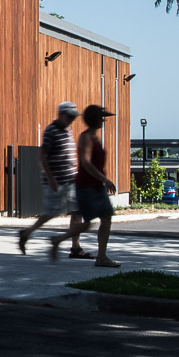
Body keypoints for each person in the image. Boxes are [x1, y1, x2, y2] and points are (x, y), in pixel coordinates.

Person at [18, 101, 84, 258]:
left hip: (71, 179)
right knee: (51, 213)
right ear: (61, 115)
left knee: (77, 212)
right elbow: (42, 156)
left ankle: (75, 248)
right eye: (69, 116)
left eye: (73, 117)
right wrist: (50, 178)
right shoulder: (51, 131)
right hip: (57, 181)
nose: (71, 120)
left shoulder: (67, 131)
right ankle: (26, 233)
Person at [70, 104, 120, 267]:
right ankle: (58, 240)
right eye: (101, 117)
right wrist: (104, 179)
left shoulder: (95, 137)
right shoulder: (86, 137)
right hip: (87, 185)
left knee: (106, 217)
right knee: (88, 222)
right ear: (94, 119)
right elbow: (85, 162)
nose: (103, 120)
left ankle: (102, 257)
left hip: (95, 185)